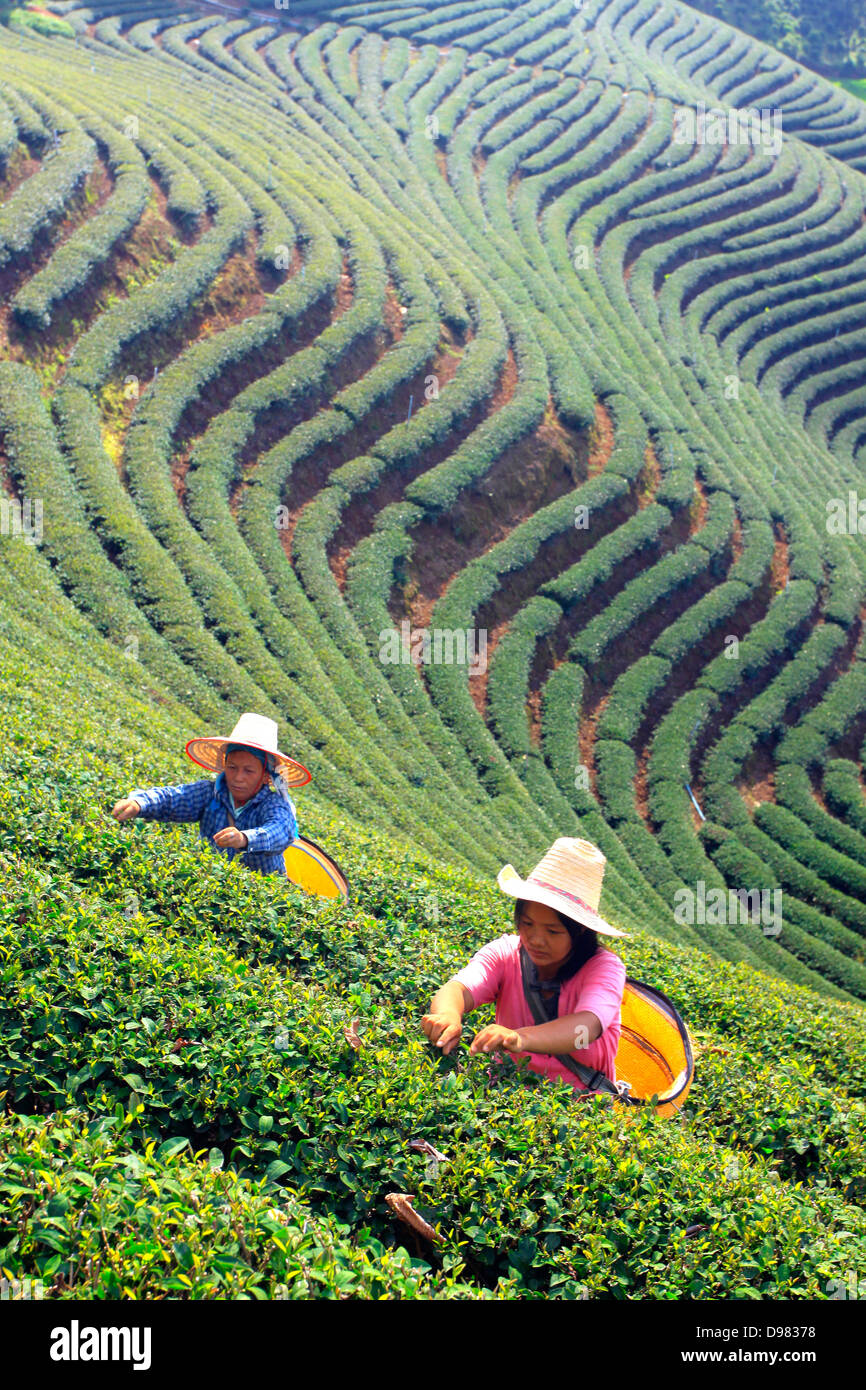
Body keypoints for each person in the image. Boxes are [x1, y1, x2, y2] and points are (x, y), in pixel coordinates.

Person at [421, 838, 628, 1093]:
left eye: (552, 931)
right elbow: (458, 989)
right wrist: (447, 1016)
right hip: (506, 1093)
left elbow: (587, 1028)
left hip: (581, 1108)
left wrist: (520, 1038)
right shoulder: (506, 953)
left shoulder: (604, 967)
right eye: (527, 924)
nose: (535, 940)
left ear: (581, 931)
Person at [111, 712, 310, 877]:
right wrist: (139, 803)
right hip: (212, 882)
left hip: (262, 895)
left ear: (265, 775)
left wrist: (245, 839)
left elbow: (280, 831)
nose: (238, 777)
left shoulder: (272, 804)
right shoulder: (210, 793)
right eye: (232, 767)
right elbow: (174, 798)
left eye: (248, 771)